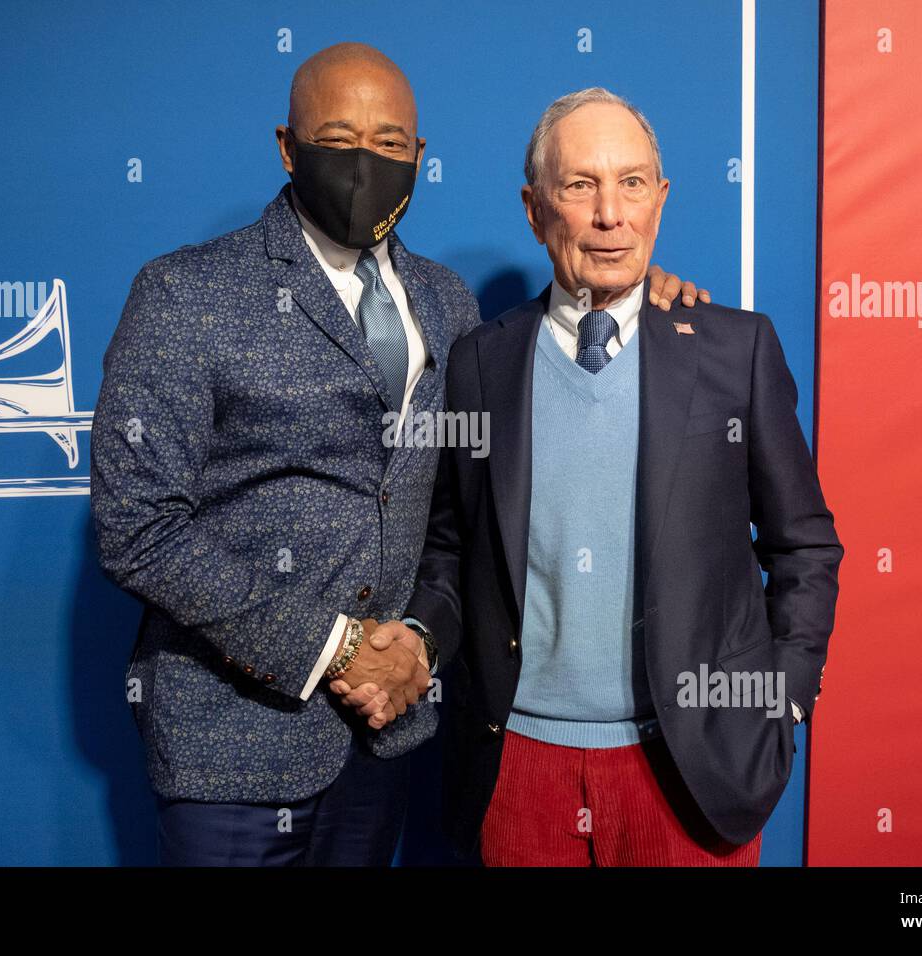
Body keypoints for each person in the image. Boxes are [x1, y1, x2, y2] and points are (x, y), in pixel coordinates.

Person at [91, 46, 707, 866]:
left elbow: (452, 509)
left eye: (390, 146)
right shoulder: (186, 293)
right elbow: (138, 526)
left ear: (419, 159)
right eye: (338, 139)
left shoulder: (446, 302)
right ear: (288, 147)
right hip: (230, 748)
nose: (364, 164)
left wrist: (633, 291)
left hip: (382, 740)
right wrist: (333, 648)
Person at [346, 87, 843, 866]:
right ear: (535, 208)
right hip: (519, 771)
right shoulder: (483, 362)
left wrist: (783, 696)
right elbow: (451, 548)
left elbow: (805, 547)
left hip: (691, 770)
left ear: (661, 198)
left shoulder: (733, 350)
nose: (611, 213)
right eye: (580, 185)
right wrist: (415, 637)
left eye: (633, 182)